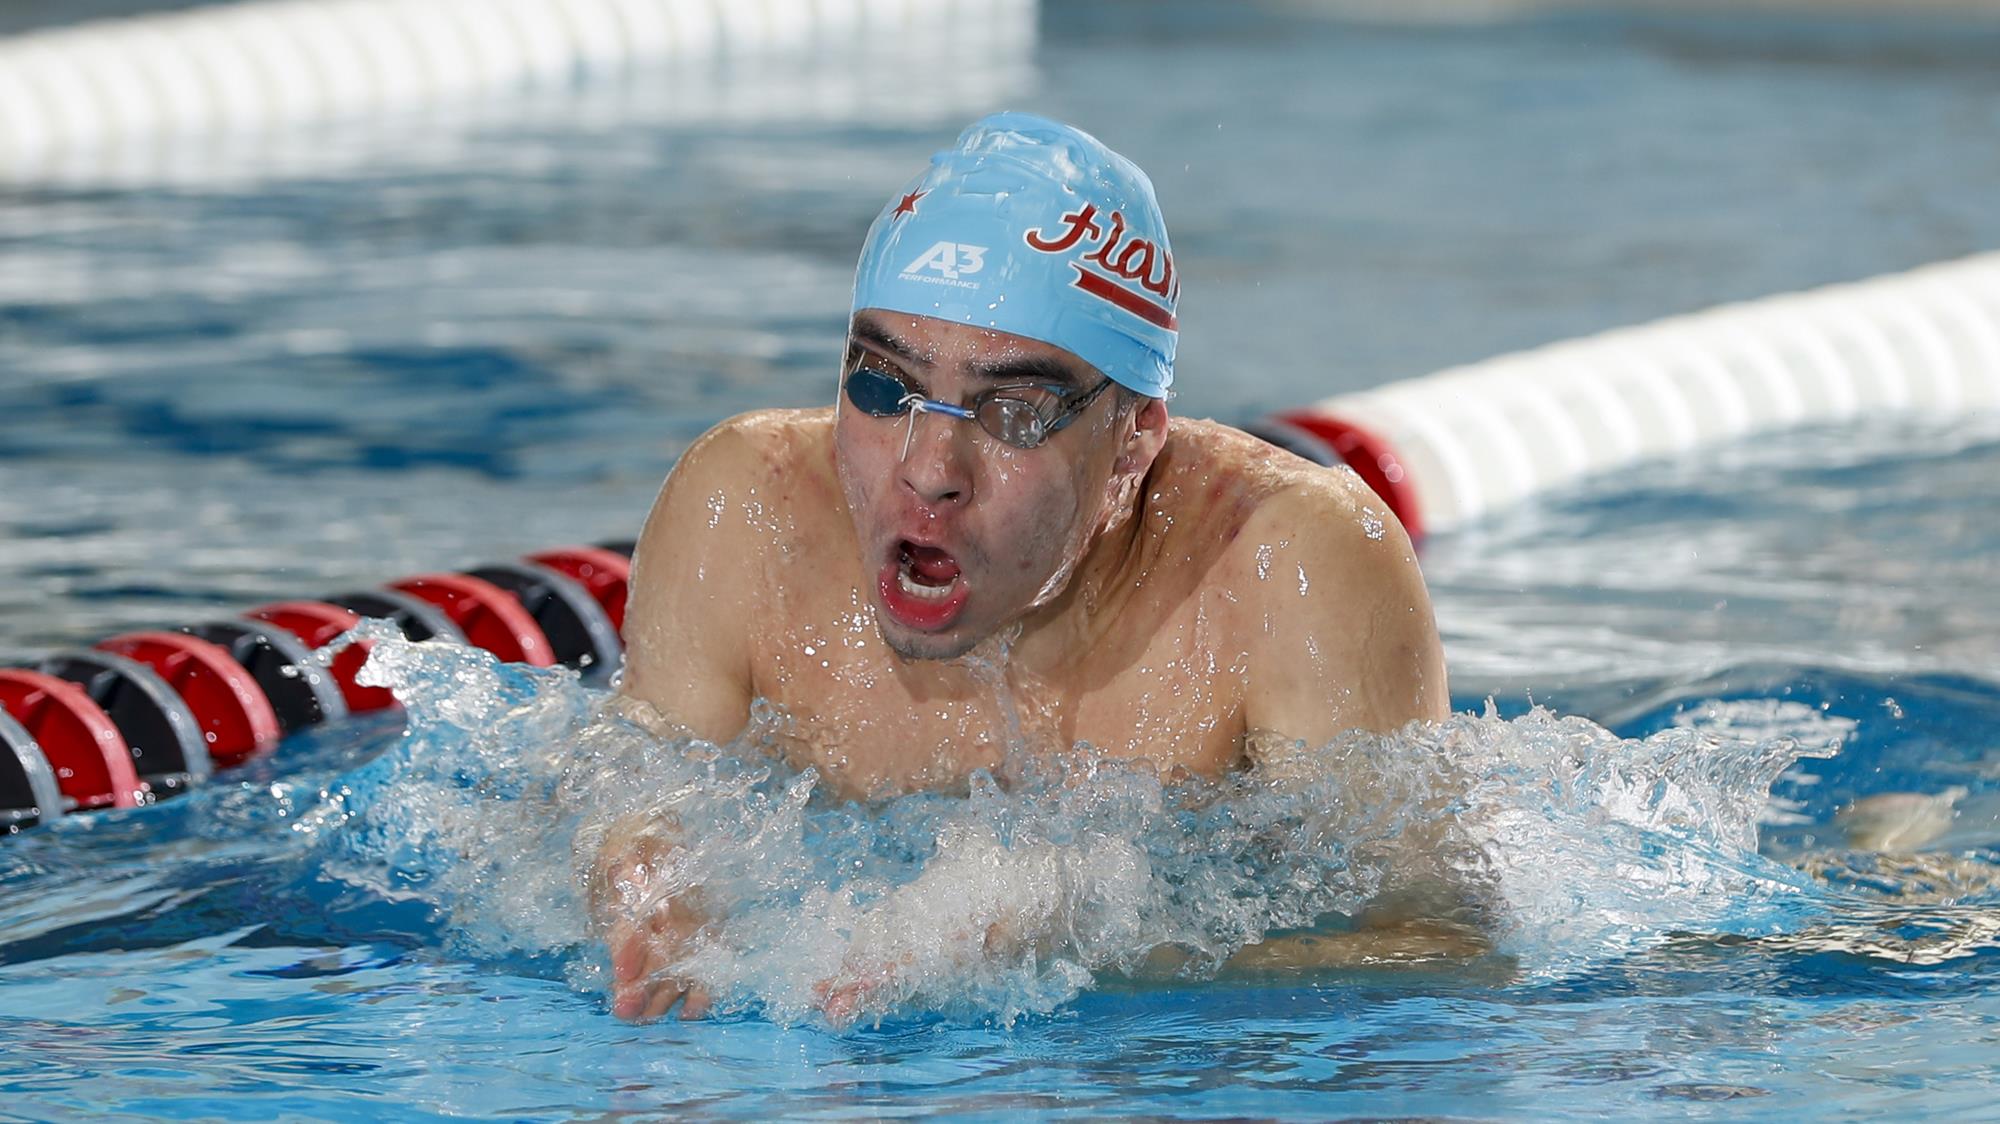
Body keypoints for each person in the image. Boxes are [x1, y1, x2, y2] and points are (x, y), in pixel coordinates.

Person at [591, 112, 1456, 1023]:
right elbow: (630, 769)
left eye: (1012, 413)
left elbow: (1435, 944)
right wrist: (636, 858)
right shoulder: (749, 507)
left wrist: (1086, 941)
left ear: (1133, 443)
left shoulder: (1288, 561)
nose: (927, 470)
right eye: (883, 388)